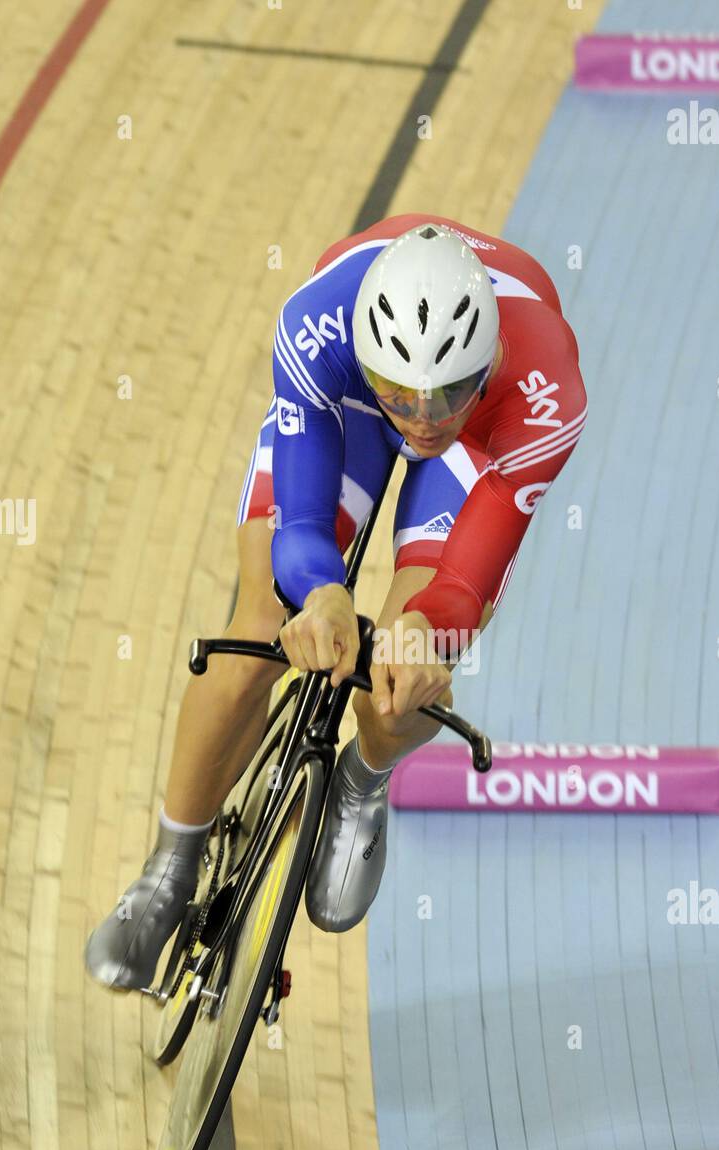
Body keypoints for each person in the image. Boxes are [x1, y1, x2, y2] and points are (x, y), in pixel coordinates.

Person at [85, 215, 588, 990]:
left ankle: (363, 779)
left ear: (484, 366)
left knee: (409, 668)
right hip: (346, 406)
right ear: (366, 353)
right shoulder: (316, 327)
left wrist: (419, 631)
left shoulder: (543, 391)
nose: (422, 418)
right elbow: (304, 527)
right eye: (405, 396)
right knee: (262, 622)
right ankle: (169, 864)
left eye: (443, 395)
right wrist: (318, 593)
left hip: (484, 438)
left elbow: (461, 583)